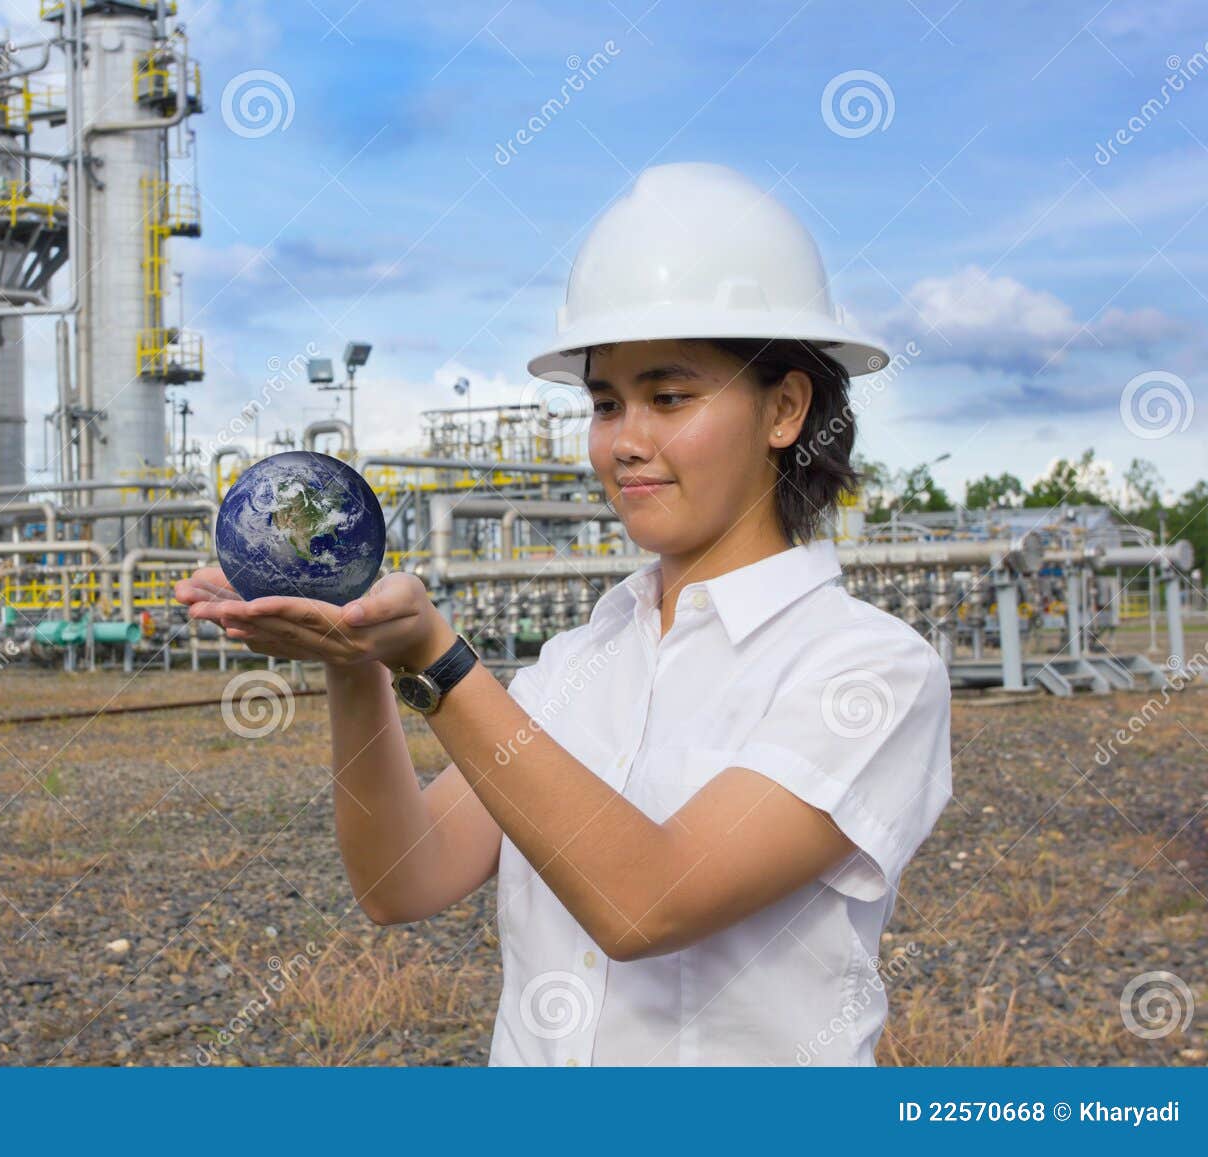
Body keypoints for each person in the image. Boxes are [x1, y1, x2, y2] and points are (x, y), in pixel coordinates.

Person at [173, 163, 952, 1066]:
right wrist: (355, 660)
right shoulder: (580, 662)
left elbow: (647, 899)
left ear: (785, 408)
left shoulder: (866, 670)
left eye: (669, 397)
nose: (625, 441)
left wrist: (439, 658)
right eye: (605, 403)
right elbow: (401, 878)